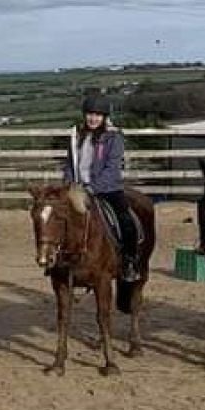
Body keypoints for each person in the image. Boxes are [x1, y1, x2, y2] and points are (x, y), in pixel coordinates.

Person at [61, 95, 141, 281]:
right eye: (90, 114)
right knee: (55, 220)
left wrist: (92, 188)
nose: (93, 118)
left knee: (126, 221)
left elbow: (112, 169)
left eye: (98, 115)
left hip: (107, 189)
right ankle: (57, 259)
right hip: (77, 189)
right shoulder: (76, 135)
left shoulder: (113, 137)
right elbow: (69, 164)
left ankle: (129, 260)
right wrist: (68, 184)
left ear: (104, 117)